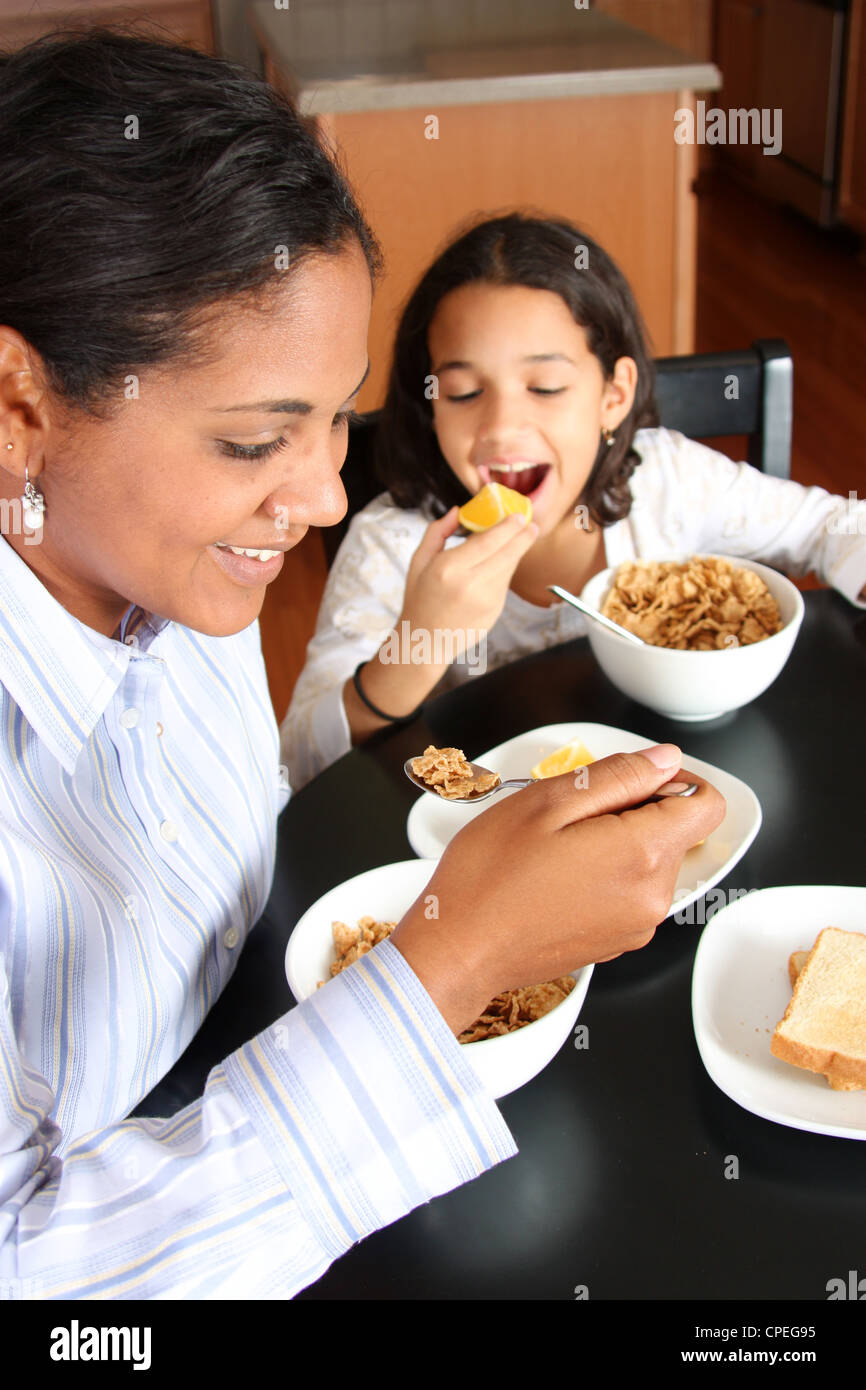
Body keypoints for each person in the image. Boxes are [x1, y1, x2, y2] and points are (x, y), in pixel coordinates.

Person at [0, 29, 724, 1299]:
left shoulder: (175, 581)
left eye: (336, 417)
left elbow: (279, 806)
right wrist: (451, 955)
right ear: (19, 404)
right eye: (253, 442)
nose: (328, 495)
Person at [280, 213, 866, 790]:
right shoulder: (396, 542)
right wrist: (420, 639)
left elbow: (834, 525)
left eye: (546, 388)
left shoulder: (669, 484)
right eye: (463, 392)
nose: (502, 428)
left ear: (614, 396)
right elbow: (300, 760)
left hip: (693, 783)